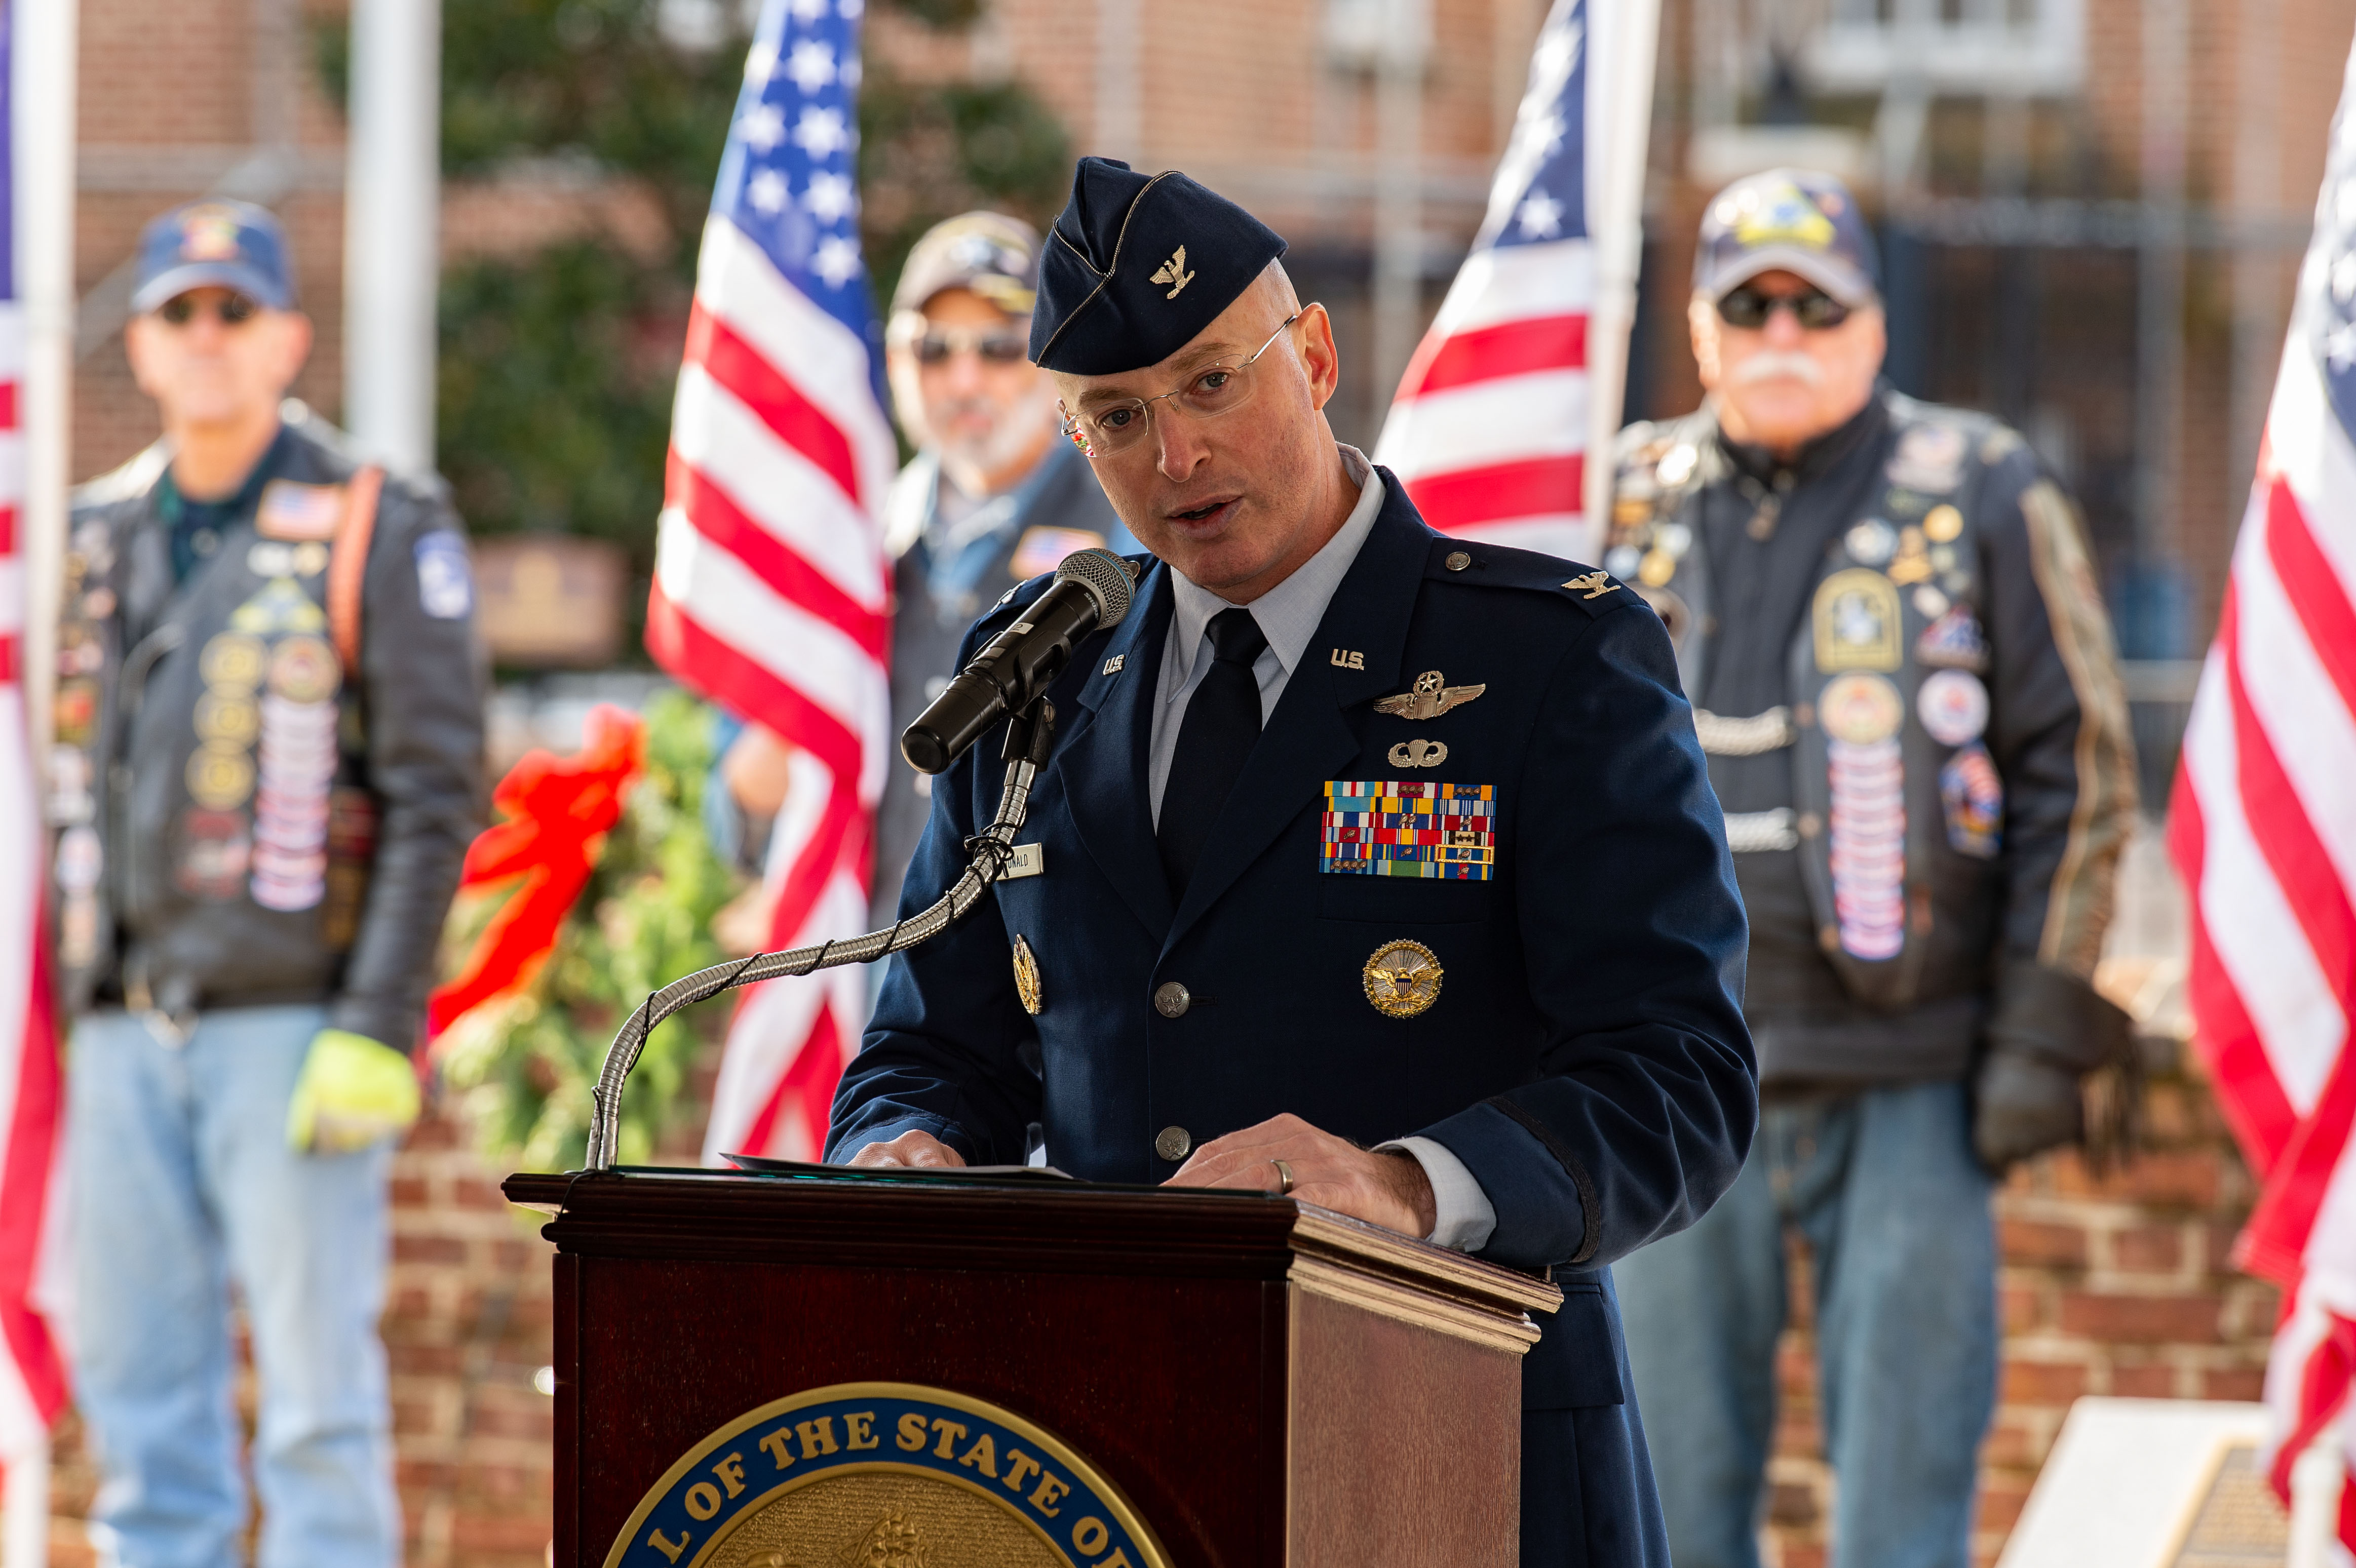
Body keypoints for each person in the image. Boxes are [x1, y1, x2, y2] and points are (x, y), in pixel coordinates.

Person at [827, 156, 1759, 1566]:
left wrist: (1397, 1187)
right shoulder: (1035, 673)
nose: (1176, 459)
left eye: (1211, 385)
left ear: (1313, 354)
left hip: (1453, 1447)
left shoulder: (1545, 663)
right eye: (1118, 419)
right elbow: (933, 1044)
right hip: (1096, 1459)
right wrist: (905, 1144)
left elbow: (1679, 1079)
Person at [1605, 170, 2138, 1568]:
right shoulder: (1618, 502)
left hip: (1912, 1072)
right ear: (1700, 328)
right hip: (1668, 1086)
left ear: (1871, 320)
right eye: (1748, 303)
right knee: (1661, 1501)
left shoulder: (1978, 488)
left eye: (1814, 301)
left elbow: (2072, 764)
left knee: (1904, 1505)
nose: (1782, 327)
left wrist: (2038, 1028)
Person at [47, 199, 484, 1568]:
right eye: (182, 311)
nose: (210, 337)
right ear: (144, 343)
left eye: (237, 310)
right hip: (116, 1030)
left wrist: (375, 1023)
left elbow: (436, 794)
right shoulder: (83, 537)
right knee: (141, 1414)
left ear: (290, 336)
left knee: (316, 1416)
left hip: (291, 1024)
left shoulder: (375, 519)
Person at [709, 212, 1135, 933]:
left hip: (1053, 991)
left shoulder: (1129, 527)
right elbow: (734, 818)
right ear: (897, 363)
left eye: (1000, 347)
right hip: (873, 979)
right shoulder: (840, 547)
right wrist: (782, 742)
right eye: (933, 349)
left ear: (1052, 358)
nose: (963, 379)